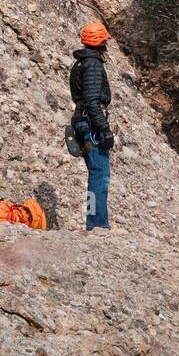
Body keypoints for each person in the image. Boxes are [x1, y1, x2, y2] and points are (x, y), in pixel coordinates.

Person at [69, 22, 114, 230]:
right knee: (99, 174)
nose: (106, 44)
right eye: (104, 40)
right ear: (100, 42)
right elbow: (92, 100)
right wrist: (104, 129)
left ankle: (93, 222)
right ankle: (96, 225)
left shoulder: (79, 63)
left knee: (94, 174)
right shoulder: (93, 64)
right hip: (91, 124)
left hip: (81, 121)